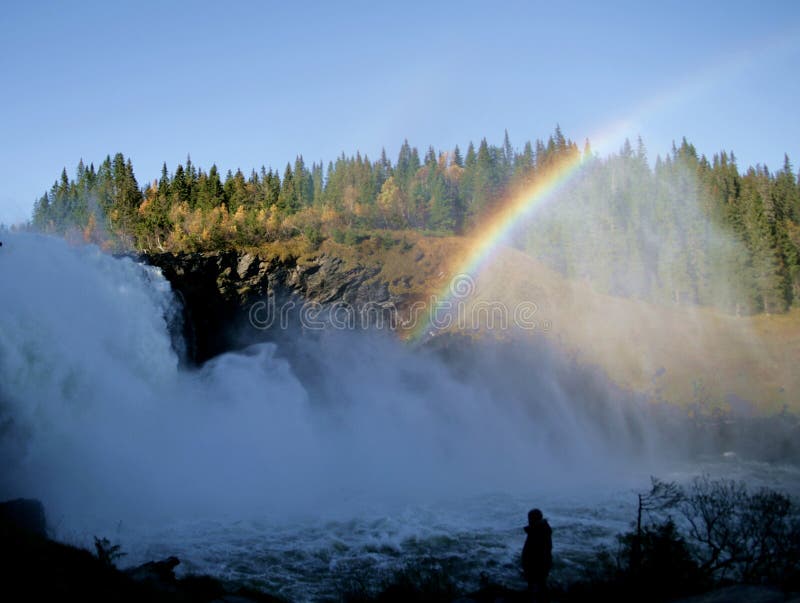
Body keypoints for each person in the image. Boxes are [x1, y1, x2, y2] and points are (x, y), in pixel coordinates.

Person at [521, 508, 552, 601]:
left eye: (530, 518)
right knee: (540, 588)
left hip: (536, 566)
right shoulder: (540, 530)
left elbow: (535, 552)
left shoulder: (538, 531)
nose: (528, 520)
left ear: (533, 519)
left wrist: (527, 564)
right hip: (539, 566)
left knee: (537, 589)